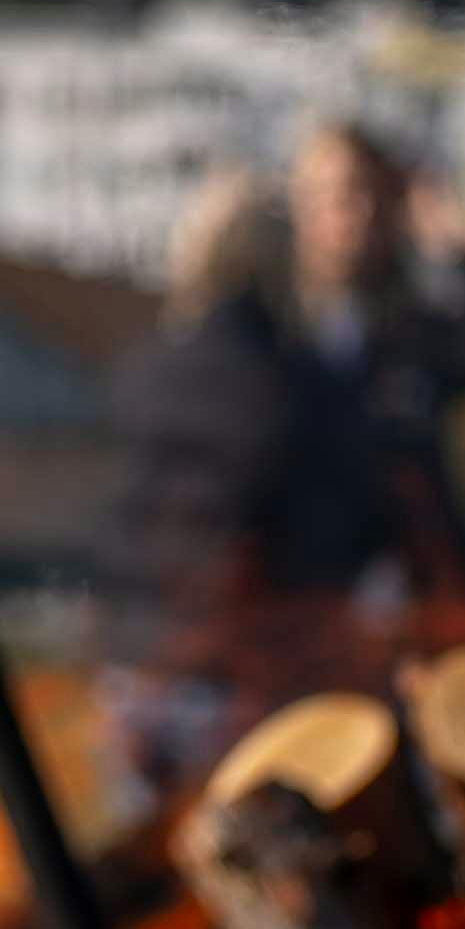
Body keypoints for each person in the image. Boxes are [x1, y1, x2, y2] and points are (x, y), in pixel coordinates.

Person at [100, 168, 324, 789]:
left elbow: (119, 526)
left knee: (145, 864)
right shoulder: (299, 385)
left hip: (137, 664)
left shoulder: (145, 371)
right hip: (238, 674)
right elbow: (316, 540)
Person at [284, 119, 465, 637]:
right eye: (341, 196)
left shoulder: (409, 331)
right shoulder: (274, 332)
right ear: (300, 207)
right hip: (312, 602)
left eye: (375, 195)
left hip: (425, 594)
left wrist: (451, 239)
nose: (360, 215)